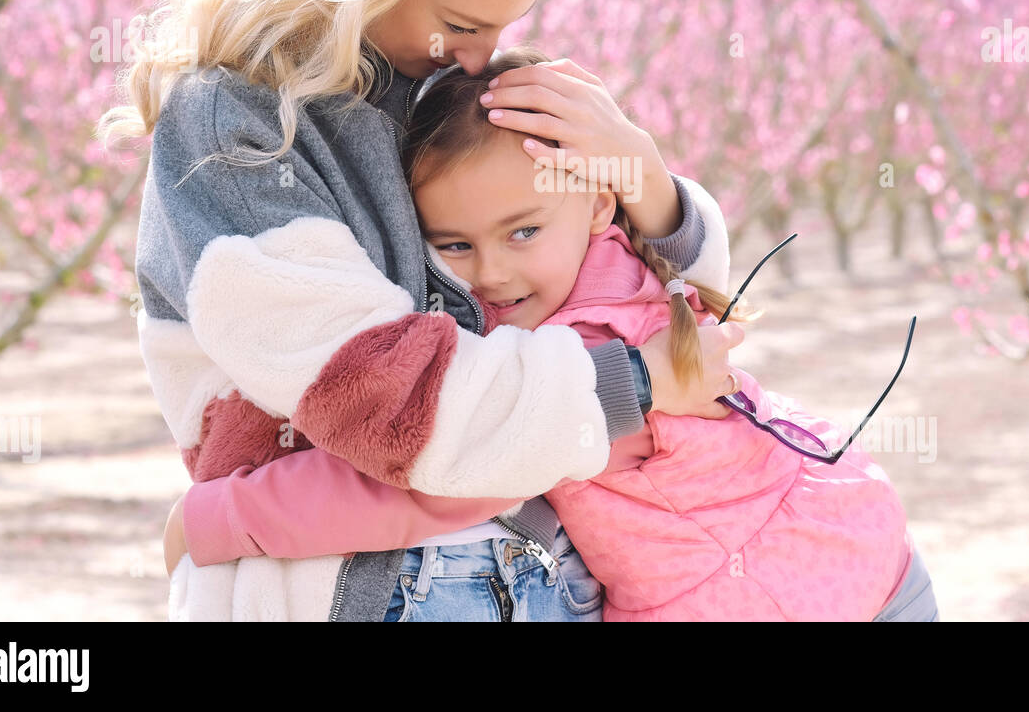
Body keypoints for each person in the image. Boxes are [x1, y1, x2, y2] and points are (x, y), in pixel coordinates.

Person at [98, 0, 744, 622]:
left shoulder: (441, 89)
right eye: (464, 24)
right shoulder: (236, 129)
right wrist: (633, 384)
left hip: (546, 566)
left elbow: (650, 300)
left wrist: (644, 183)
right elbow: (380, 395)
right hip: (359, 586)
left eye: (504, 29)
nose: (480, 58)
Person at [171, 49, 939, 621]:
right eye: (456, 245)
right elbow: (686, 255)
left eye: (523, 231)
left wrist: (224, 518)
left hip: (787, 583)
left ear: (599, 205)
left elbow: (440, 484)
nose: (493, 271)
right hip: (842, 540)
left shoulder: (588, 346)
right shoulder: (613, 263)